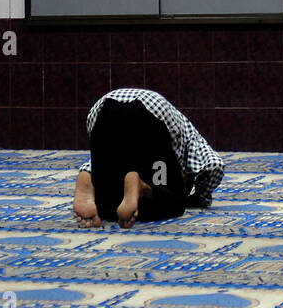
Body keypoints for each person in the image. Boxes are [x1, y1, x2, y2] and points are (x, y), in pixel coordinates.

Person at [72, 88, 224, 228]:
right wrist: (200, 197)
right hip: (151, 115)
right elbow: (214, 164)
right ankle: (141, 187)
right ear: (188, 177)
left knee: (108, 200)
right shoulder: (190, 139)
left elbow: (105, 160)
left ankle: (89, 180)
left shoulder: (153, 157)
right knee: (173, 203)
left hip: (102, 111)